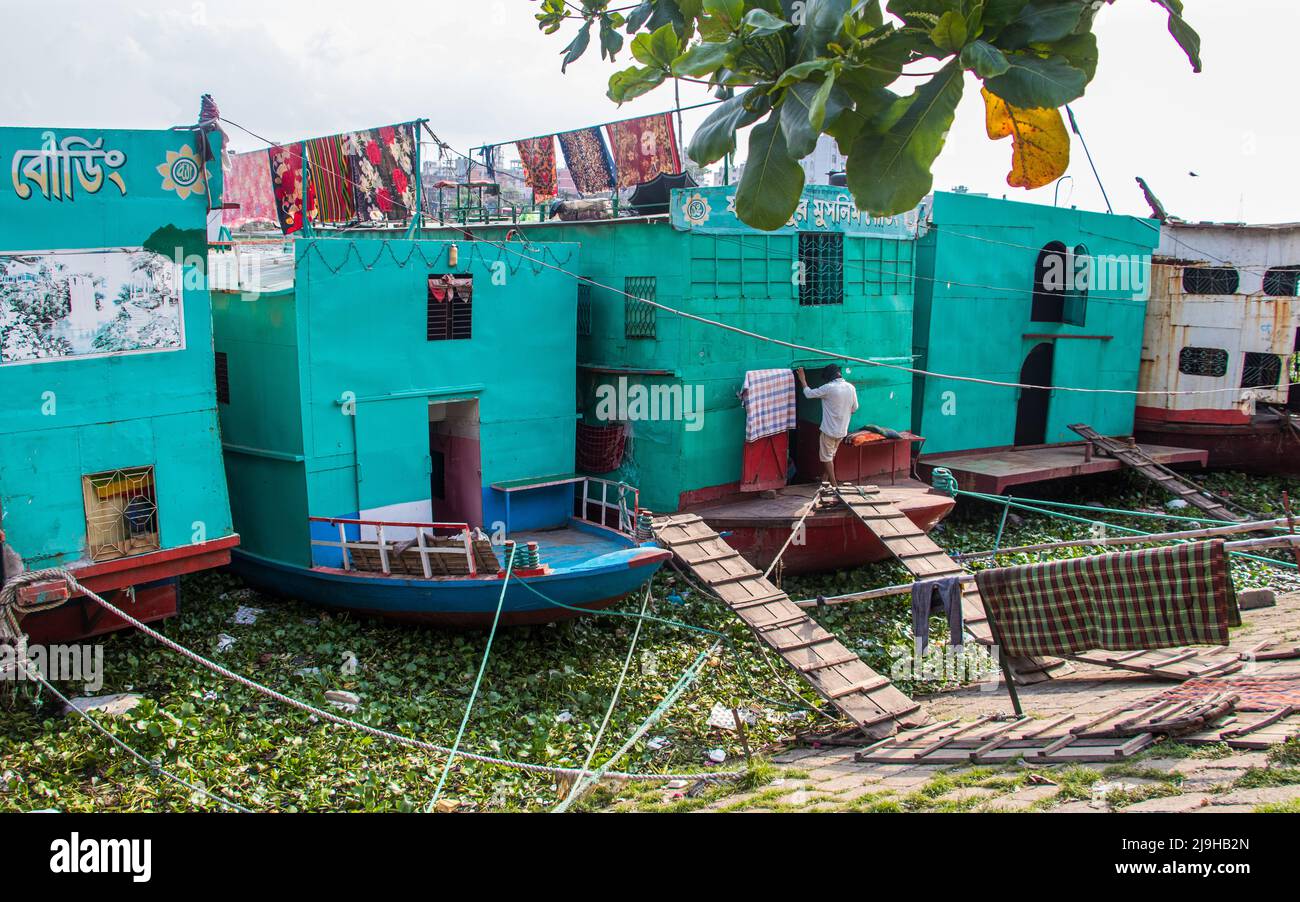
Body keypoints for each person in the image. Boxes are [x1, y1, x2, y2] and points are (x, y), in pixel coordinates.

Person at [796, 364, 858, 487]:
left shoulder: (828, 388)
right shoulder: (851, 388)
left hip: (829, 431)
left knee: (826, 458)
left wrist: (802, 379)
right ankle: (824, 479)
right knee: (830, 456)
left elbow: (808, 394)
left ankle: (834, 485)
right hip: (842, 431)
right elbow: (854, 408)